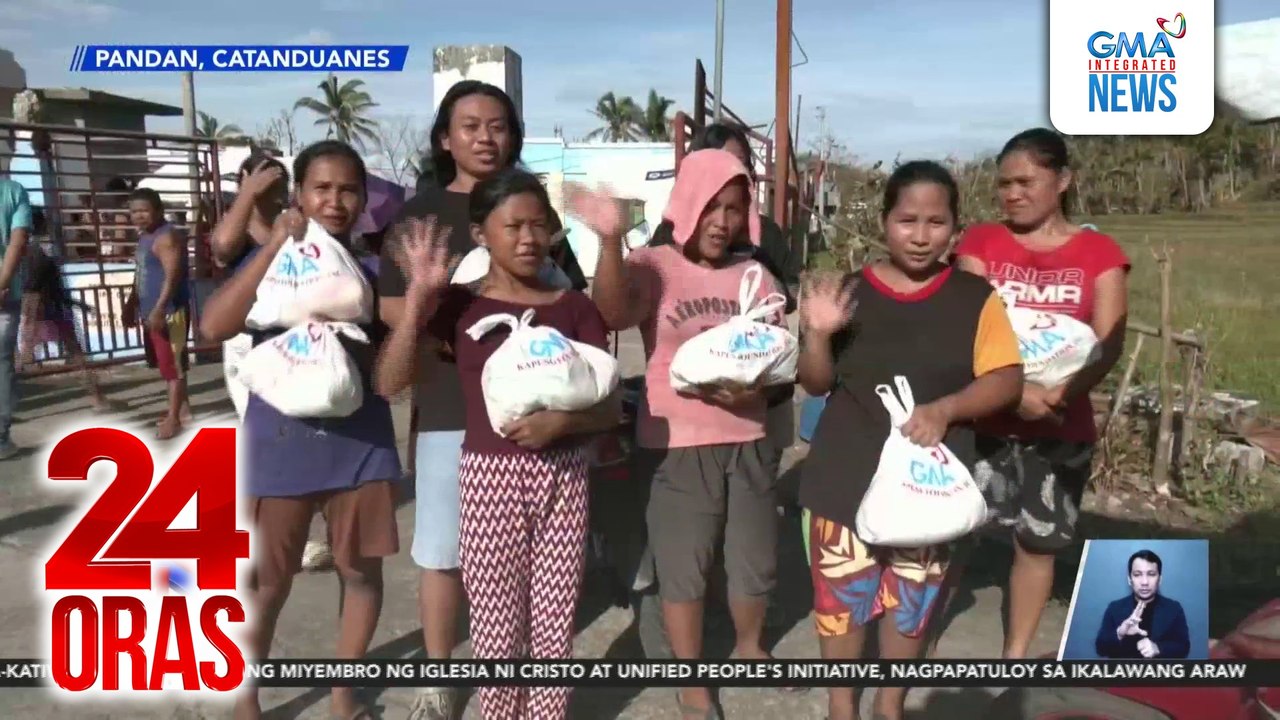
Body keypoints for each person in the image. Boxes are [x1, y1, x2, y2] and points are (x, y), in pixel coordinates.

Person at [375, 168, 618, 720]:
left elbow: (606, 406)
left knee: (554, 618)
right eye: (513, 226)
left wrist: (563, 424)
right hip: (489, 477)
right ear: (481, 234)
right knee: (495, 622)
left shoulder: (574, 308)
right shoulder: (459, 307)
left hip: (564, 478)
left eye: (539, 225)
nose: (529, 238)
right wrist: (416, 302)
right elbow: (390, 383)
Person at [797, 160, 1024, 720]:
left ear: (955, 228)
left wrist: (947, 410)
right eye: (907, 220)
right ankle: (842, 707)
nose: (921, 236)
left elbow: (1006, 379)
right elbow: (815, 383)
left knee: (912, 604)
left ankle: (889, 705)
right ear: (884, 222)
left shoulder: (976, 298)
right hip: (844, 481)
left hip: (929, 487)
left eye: (936, 222)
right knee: (841, 606)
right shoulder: (848, 294)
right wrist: (818, 336)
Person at [575, 148, 787, 719]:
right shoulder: (653, 265)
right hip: (676, 443)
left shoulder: (756, 274)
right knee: (684, 563)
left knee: (754, 557)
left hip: (749, 436)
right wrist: (610, 242)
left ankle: (750, 647)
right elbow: (613, 313)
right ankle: (691, 681)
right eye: (711, 206)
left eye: (734, 209)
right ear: (686, 202)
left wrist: (758, 390)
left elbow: (779, 357)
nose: (722, 221)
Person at [200, 140, 400, 720]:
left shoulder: (371, 270)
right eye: (322, 188)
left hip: (361, 443)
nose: (335, 201)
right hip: (280, 442)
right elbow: (214, 326)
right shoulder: (271, 263)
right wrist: (274, 245)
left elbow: (401, 346)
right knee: (267, 584)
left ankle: (343, 695)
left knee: (360, 572)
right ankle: (246, 702)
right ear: (299, 195)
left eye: (348, 190)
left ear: (363, 199)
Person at [953, 128, 1130, 659]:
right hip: (984, 419)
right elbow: (965, 328)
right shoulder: (982, 243)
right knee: (953, 531)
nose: (1012, 194)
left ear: (1063, 180)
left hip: (1060, 425)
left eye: (1026, 182)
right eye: (1004, 184)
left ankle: (1015, 658)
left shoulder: (1100, 253)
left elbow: (1109, 341)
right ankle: (918, 637)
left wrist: (1056, 396)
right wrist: (1016, 394)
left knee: (1037, 545)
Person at [209, 153, 289, 420]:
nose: (276, 197)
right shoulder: (238, 229)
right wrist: (247, 194)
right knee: (252, 419)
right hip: (243, 335)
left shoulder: (287, 226)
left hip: (281, 333)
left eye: (280, 187)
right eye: (267, 187)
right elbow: (222, 248)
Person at [122, 188, 190, 440]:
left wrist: (160, 308)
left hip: (171, 313)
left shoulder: (166, 238)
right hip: (153, 311)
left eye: (144, 211)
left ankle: (174, 419)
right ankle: (182, 411)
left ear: (159, 211)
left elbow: (172, 277)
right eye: (134, 212)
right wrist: (131, 303)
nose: (139, 216)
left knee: (174, 366)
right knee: (168, 365)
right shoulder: (145, 238)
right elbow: (140, 273)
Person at [17, 230, 110, 410]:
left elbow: (40, 287)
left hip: (39, 312)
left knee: (24, 358)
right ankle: (97, 398)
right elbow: (54, 290)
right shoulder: (41, 256)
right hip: (51, 312)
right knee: (77, 357)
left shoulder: (28, 255)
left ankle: (97, 398)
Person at [1094, 550, 1191, 659]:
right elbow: (1100, 648)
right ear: (1129, 579)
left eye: (1151, 574)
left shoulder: (1174, 609)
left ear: (1160, 579)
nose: (1144, 582)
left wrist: (1158, 648)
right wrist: (1120, 633)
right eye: (1137, 575)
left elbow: (1184, 647)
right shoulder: (1114, 608)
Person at [0, 178, 31, 460]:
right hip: (5, 293)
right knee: (1, 362)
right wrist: (2, 283)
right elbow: (18, 240)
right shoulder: (13, 191)